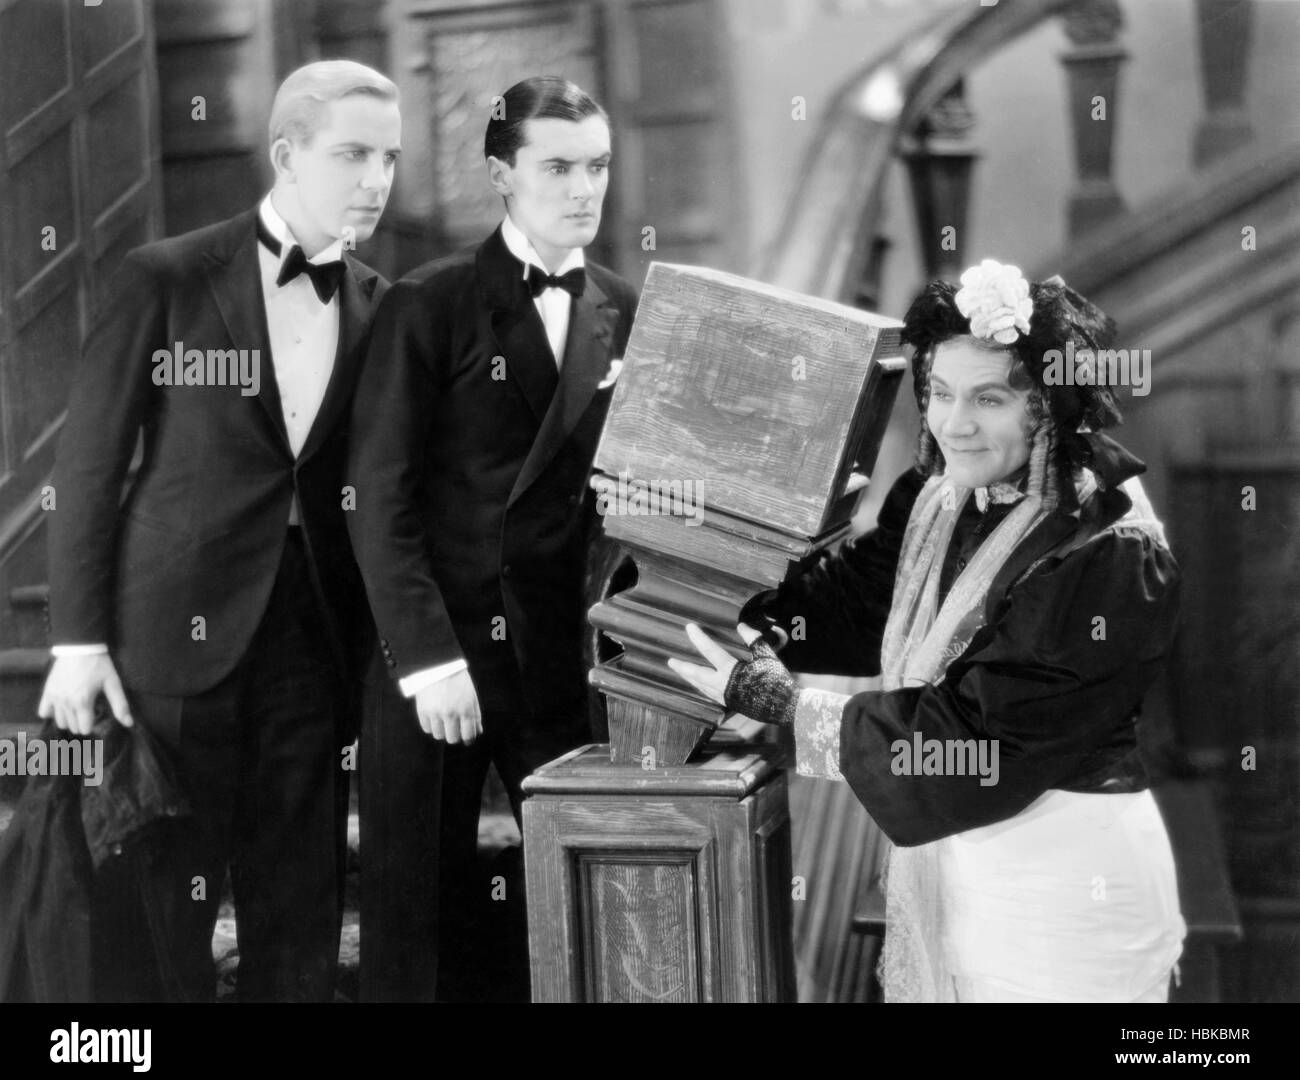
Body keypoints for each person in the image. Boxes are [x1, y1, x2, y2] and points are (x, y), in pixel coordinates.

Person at [670, 259, 1187, 1003]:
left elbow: (977, 743)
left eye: (990, 398)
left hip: (1065, 883)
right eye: (940, 394)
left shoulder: (1107, 546)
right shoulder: (944, 494)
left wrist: (785, 705)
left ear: (1049, 405)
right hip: (959, 869)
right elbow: (850, 608)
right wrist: (717, 579)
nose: (955, 424)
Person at [40, 60, 400, 1001]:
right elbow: (85, 468)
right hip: (170, 632)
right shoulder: (164, 276)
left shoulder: (374, 301)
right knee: (162, 902)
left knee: (299, 895)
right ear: (286, 155)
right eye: (352, 154)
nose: (376, 179)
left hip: (314, 633)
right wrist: (78, 642)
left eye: (391, 159)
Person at [346, 76, 639, 1001]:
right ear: (502, 176)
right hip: (441, 651)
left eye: (595, 166)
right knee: (417, 918)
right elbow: (376, 496)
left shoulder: (626, 307)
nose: (582, 189)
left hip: (562, 659)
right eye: (557, 167)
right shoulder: (428, 303)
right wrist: (427, 659)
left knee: (580, 906)